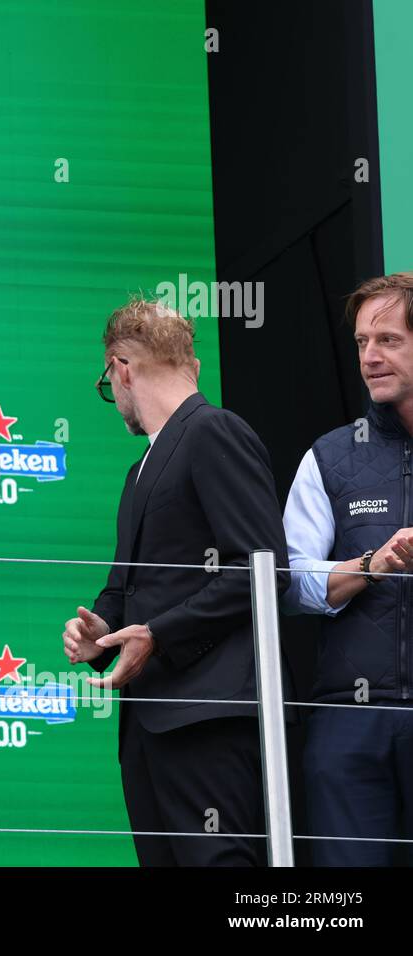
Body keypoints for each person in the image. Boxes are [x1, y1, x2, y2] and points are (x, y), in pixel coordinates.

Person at [62, 296, 288, 866]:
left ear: (121, 368)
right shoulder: (140, 470)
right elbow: (123, 588)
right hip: (148, 723)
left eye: (106, 383)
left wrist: (158, 634)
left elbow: (263, 570)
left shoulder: (214, 431)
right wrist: (99, 632)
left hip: (208, 718)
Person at [283, 272, 413, 865]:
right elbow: (294, 583)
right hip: (350, 723)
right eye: (362, 342)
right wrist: (374, 563)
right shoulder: (330, 455)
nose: (370, 357)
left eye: (388, 339)